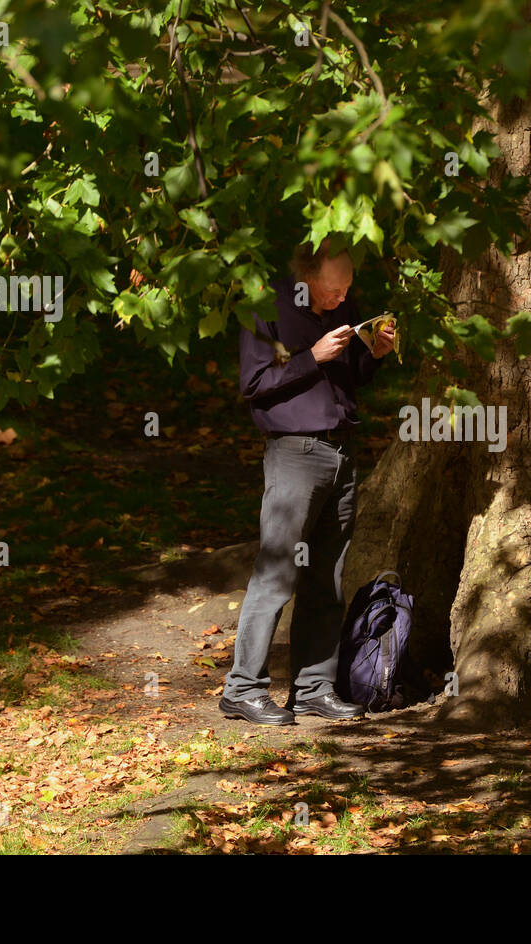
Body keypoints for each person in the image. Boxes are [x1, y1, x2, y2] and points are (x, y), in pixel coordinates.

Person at [219, 241, 396, 725]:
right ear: (305, 274)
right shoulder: (268, 303)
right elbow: (253, 382)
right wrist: (310, 356)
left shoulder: (341, 304)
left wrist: (373, 353)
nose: (342, 297)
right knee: (278, 572)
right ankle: (242, 689)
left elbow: (350, 377)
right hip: (294, 452)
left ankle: (315, 686)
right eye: (333, 288)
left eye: (348, 288)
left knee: (327, 578)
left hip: (342, 449)